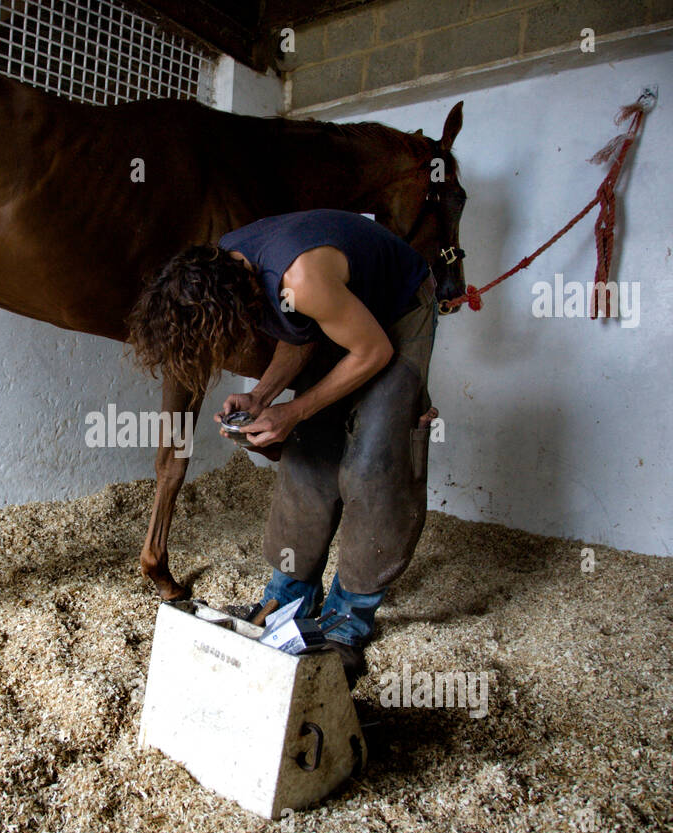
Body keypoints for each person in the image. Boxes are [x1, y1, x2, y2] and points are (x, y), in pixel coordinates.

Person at [127, 208, 439, 686]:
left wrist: (291, 412)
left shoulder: (302, 277)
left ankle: (346, 621)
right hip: (345, 310)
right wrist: (262, 396)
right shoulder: (233, 263)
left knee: (374, 461)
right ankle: (289, 595)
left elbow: (374, 351)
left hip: (396, 313)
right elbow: (299, 330)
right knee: (308, 454)